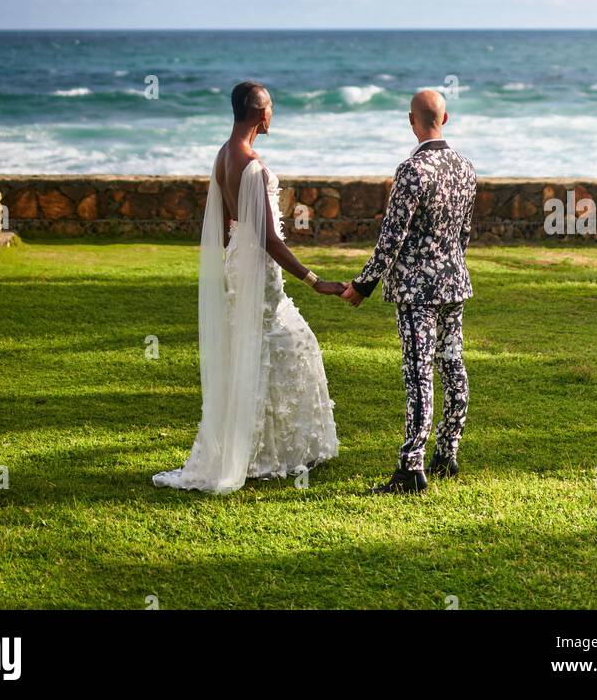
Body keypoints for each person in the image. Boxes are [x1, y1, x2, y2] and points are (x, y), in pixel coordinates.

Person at [152, 81, 343, 493]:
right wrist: (316, 281)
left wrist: (236, 263)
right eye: (271, 108)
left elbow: (224, 226)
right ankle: (269, 451)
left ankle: (266, 447)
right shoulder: (253, 164)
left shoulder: (223, 155)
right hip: (258, 262)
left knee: (256, 345)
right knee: (292, 341)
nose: (273, 115)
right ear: (260, 114)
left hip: (239, 259)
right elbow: (271, 239)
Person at [342, 88, 476, 494]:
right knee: (452, 364)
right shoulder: (466, 169)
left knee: (418, 372)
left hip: (417, 290)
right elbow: (463, 235)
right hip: (454, 282)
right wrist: (450, 267)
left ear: (411, 121)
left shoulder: (412, 171)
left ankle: (410, 469)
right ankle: (447, 450)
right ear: (446, 119)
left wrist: (363, 284)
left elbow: (391, 238)